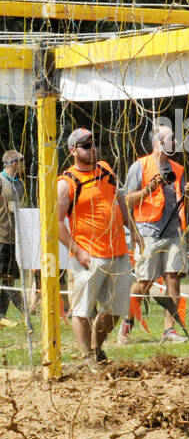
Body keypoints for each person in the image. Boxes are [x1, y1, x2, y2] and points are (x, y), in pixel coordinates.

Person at [56, 128, 141, 363]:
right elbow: (57, 224)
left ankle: (95, 348)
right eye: (86, 146)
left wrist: (132, 228)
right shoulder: (66, 183)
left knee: (116, 309)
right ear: (73, 151)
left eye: (94, 144)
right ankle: (88, 356)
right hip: (89, 255)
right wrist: (78, 252)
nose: (93, 149)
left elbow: (119, 199)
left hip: (119, 253)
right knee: (82, 310)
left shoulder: (105, 169)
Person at [120, 121, 189, 344]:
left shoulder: (178, 169)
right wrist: (149, 189)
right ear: (158, 142)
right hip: (148, 232)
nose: (176, 141)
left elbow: (181, 200)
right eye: (171, 138)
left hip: (174, 232)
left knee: (173, 279)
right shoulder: (140, 166)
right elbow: (128, 200)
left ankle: (169, 330)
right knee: (144, 282)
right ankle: (126, 324)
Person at [0, 149, 26, 325]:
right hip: (1, 237)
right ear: (14, 163)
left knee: (9, 277)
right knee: (3, 275)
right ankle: (24, 309)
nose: (24, 164)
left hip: (14, 237)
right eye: (22, 161)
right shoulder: (1, 181)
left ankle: (1, 314)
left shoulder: (19, 183)